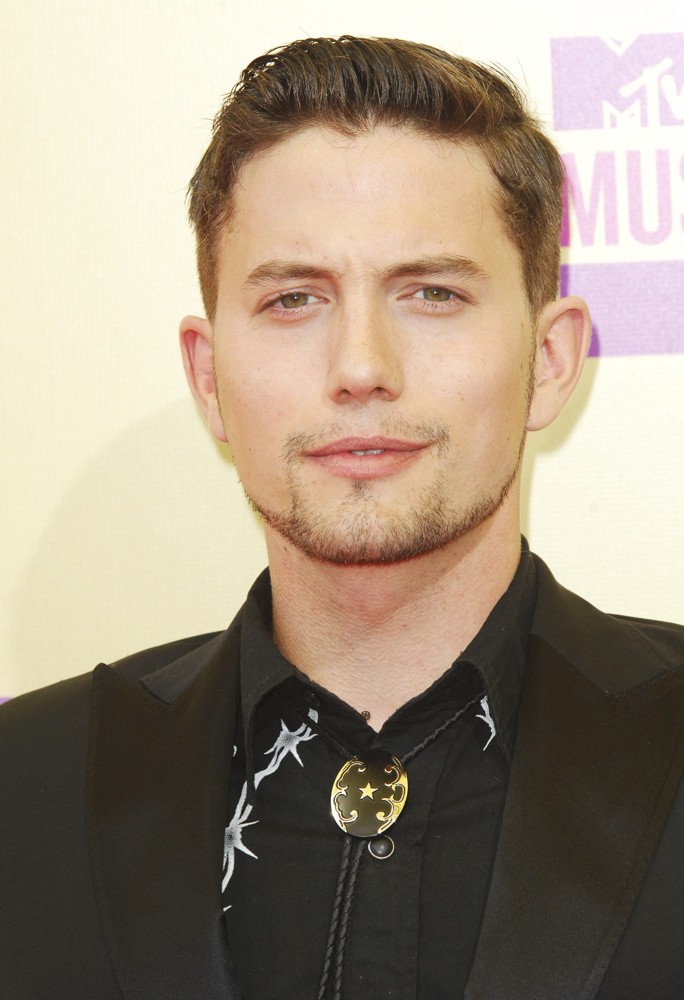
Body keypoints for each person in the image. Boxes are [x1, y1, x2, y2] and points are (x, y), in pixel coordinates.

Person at [1, 35, 683, 1000]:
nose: (361, 366)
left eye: (433, 293)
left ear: (553, 359)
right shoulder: (26, 789)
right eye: (293, 299)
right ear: (209, 379)